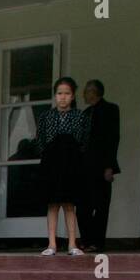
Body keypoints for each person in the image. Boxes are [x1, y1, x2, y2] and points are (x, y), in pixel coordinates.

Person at [35, 77, 88, 256]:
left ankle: (72, 244)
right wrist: (47, 157)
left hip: (72, 163)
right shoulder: (46, 116)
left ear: (72, 96)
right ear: (55, 96)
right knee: (52, 204)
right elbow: (40, 140)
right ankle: (52, 244)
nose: (63, 97)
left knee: (69, 204)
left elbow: (83, 140)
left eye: (67, 94)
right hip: (51, 162)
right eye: (59, 93)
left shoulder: (79, 116)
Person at [78, 80, 120, 253]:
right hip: (84, 166)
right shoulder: (85, 113)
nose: (84, 95)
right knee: (83, 205)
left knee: (101, 205)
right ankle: (86, 240)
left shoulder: (110, 109)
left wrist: (109, 166)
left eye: (86, 91)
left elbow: (113, 138)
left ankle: (97, 242)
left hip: (102, 165)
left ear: (93, 92)